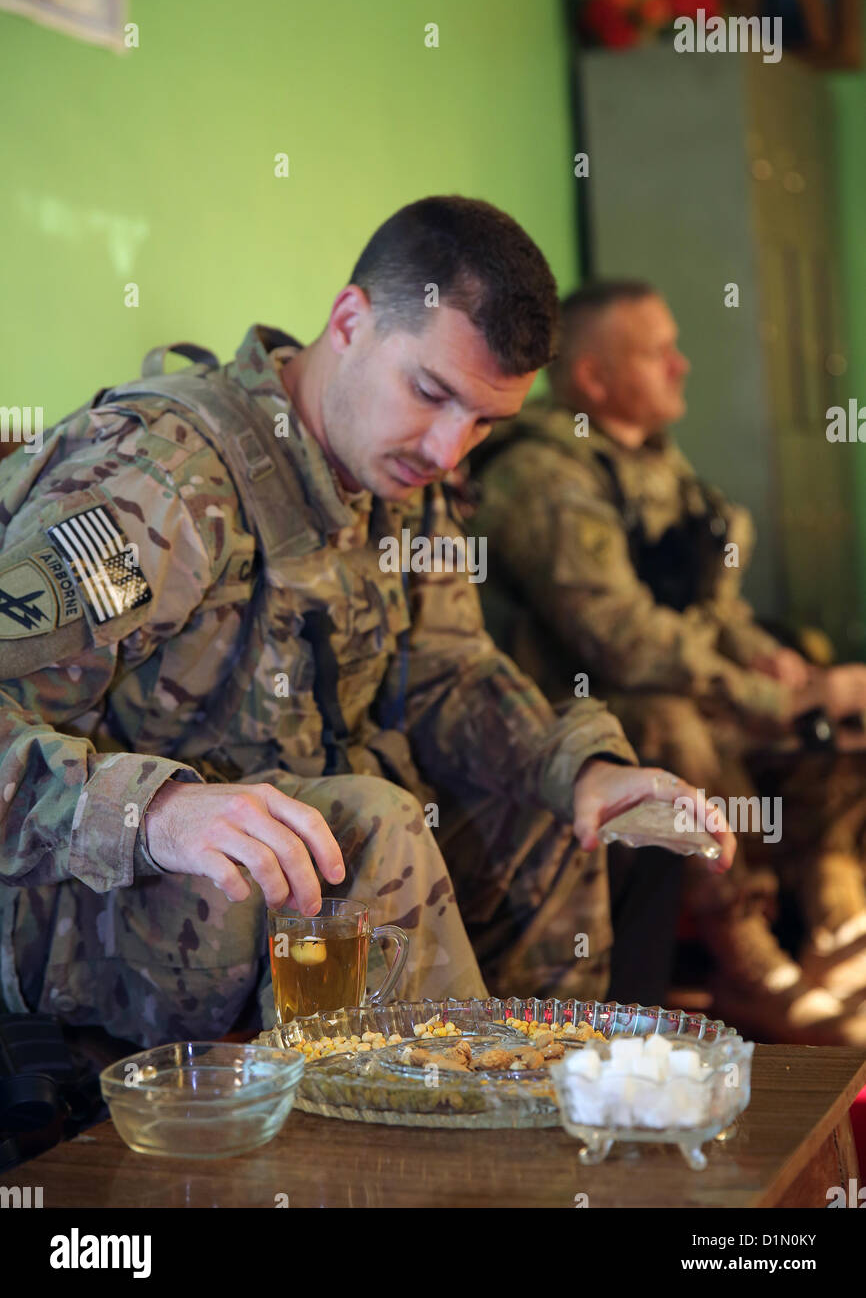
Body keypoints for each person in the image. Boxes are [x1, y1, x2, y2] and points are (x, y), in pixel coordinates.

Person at [0, 204, 732, 1051]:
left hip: (269, 865)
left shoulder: (402, 475)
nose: (450, 450)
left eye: (485, 422)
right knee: (367, 831)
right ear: (350, 321)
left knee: (546, 808)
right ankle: (411, 1150)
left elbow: (451, 673)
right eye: (430, 392)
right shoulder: (158, 482)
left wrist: (582, 768)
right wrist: (155, 814)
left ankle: (535, 1095)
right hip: (80, 893)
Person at [470, 279, 866, 1045]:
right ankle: (746, 966)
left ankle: (837, 922)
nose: (682, 366)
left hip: (683, 687)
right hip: (574, 715)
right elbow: (621, 638)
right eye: (658, 354)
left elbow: (714, 613)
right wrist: (773, 699)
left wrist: (794, 677)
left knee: (842, 732)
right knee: (670, 724)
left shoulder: (657, 466)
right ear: (593, 378)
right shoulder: (542, 476)